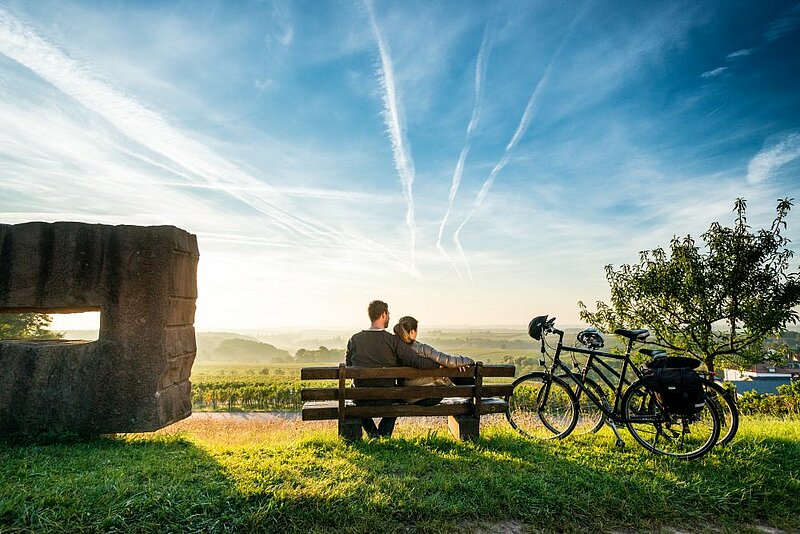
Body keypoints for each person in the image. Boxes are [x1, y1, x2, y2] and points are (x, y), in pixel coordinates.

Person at [345, 300, 440, 438]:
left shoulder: (354, 339)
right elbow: (416, 361)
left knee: (358, 404)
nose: (389, 317)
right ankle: (383, 435)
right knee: (398, 399)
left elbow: (348, 367)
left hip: (361, 397)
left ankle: (373, 435)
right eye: (388, 314)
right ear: (383, 314)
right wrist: (438, 365)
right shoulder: (393, 340)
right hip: (387, 397)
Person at [393, 316, 475, 405]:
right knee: (457, 369)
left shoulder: (395, 349)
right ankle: (478, 396)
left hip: (408, 396)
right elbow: (449, 361)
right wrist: (470, 361)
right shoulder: (421, 348)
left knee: (453, 368)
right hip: (429, 396)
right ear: (412, 331)